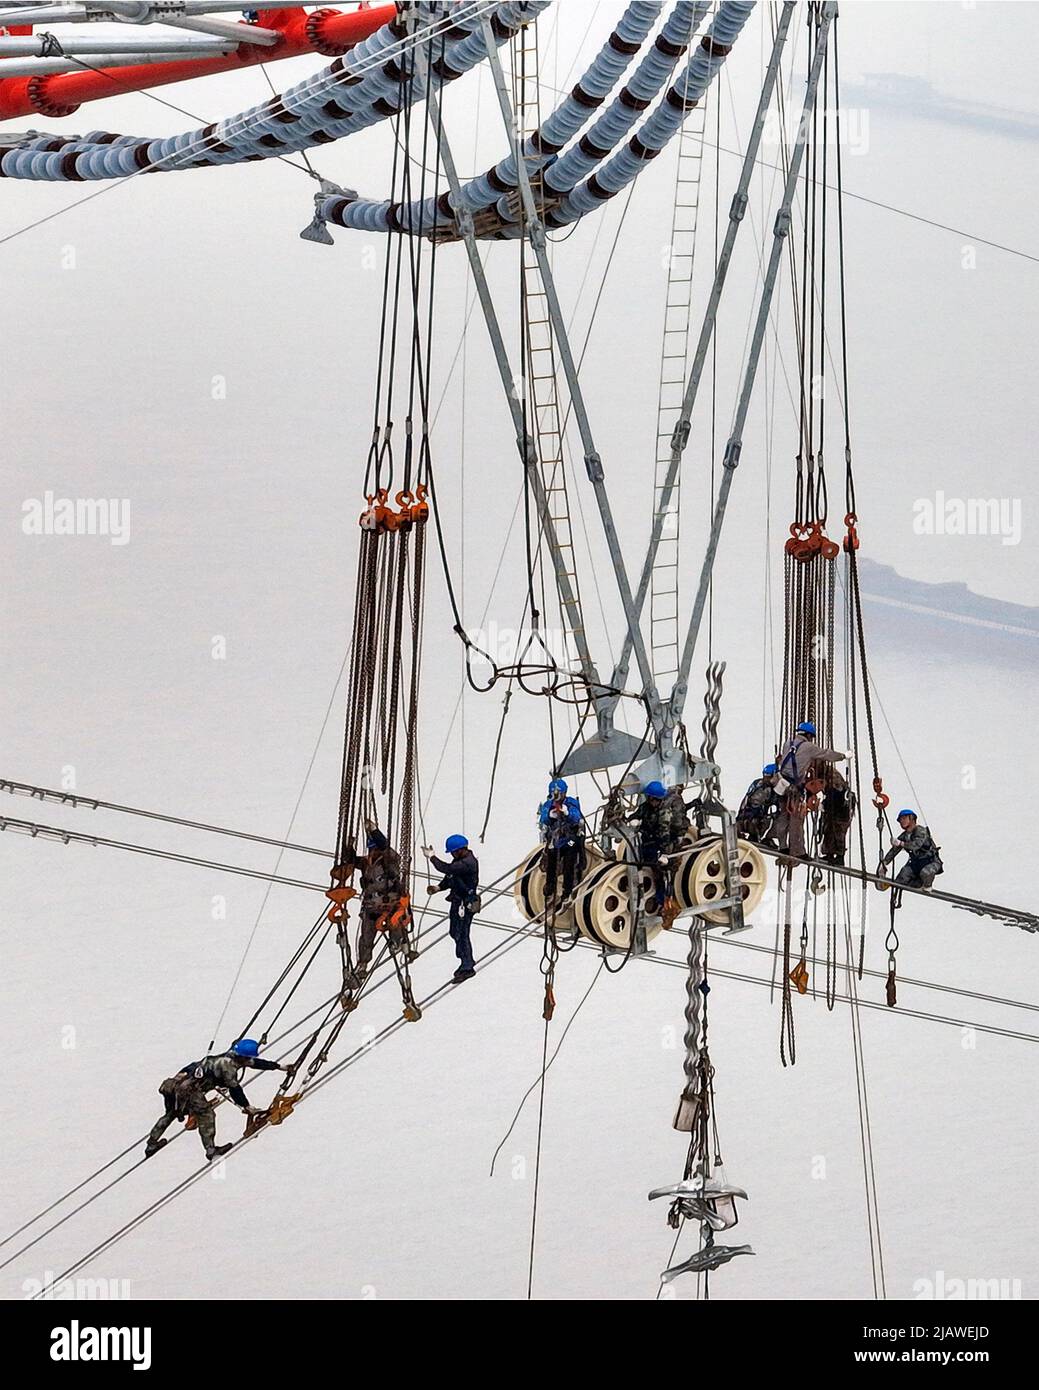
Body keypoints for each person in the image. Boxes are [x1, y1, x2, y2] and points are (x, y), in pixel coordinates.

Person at [144, 1038, 288, 1161]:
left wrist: (279, 1067)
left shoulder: (230, 1055)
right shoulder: (228, 1067)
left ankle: (151, 1144)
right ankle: (211, 1150)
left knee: (171, 1114)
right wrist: (247, 1106)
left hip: (173, 1084)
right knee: (206, 1115)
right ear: (242, 1057)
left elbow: (257, 1063)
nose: (249, 1061)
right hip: (189, 1090)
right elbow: (235, 1089)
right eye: (247, 1058)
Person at [772, 721, 850, 861]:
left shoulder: (787, 743)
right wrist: (843, 756)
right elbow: (826, 754)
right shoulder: (808, 747)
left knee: (783, 816)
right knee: (796, 820)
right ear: (808, 735)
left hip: (781, 785)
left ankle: (783, 846)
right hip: (795, 788)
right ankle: (798, 851)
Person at [338, 827, 406, 983]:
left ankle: (399, 942)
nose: (372, 853)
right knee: (366, 937)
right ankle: (362, 964)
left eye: (374, 850)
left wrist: (375, 831)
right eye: (371, 850)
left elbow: (386, 847)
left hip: (389, 904)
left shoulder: (390, 860)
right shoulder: (366, 863)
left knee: (394, 924)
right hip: (370, 906)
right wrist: (348, 846)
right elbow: (350, 860)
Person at [425, 834, 480, 982]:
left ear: (461, 849)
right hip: (457, 902)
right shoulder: (459, 861)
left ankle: (467, 965)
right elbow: (451, 877)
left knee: (462, 934)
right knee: (455, 932)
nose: (453, 855)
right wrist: (438, 887)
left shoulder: (468, 863)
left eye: (454, 852)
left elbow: (447, 868)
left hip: (465, 903)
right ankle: (465, 959)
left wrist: (432, 858)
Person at [631, 780, 682, 911]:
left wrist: (665, 853)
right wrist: (632, 820)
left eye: (653, 799)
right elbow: (636, 814)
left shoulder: (664, 813)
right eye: (649, 798)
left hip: (661, 845)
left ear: (658, 799)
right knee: (640, 866)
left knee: (662, 874)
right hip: (648, 843)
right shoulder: (645, 807)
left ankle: (662, 903)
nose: (651, 801)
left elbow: (664, 833)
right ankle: (641, 893)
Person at [538, 777, 585, 903]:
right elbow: (543, 819)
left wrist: (567, 813)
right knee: (551, 861)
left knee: (570, 858)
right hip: (556, 841)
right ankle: (550, 889)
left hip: (570, 839)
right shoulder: (548, 805)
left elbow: (576, 817)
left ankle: (567, 891)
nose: (556, 797)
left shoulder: (571, 803)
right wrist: (550, 816)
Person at [881, 809, 943, 892]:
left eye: (904, 818)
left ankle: (927, 885)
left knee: (926, 872)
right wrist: (884, 863)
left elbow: (916, 845)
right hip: (915, 863)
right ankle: (917, 883)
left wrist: (901, 843)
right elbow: (894, 850)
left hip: (930, 862)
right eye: (900, 820)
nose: (901, 821)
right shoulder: (905, 835)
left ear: (912, 818)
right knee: (901, 878)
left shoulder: (920, 831)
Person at [818, 763, 856, 865]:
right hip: (836, 808)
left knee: (839, 832)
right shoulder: (824, 774)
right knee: (829, 830)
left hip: (842, 808)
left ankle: (840, 857)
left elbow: (836, 794)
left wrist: (824, 805)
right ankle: (829, 854)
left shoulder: (832, 777)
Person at [736, 764, 780, 844]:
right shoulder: (766, 788)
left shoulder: (757, 782)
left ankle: (759, 836)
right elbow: (756, 803)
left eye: (768, 776)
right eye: (766, 776)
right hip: (751, 821)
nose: (766, 778)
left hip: (744, 818)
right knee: (779, 817)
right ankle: (764, 837)